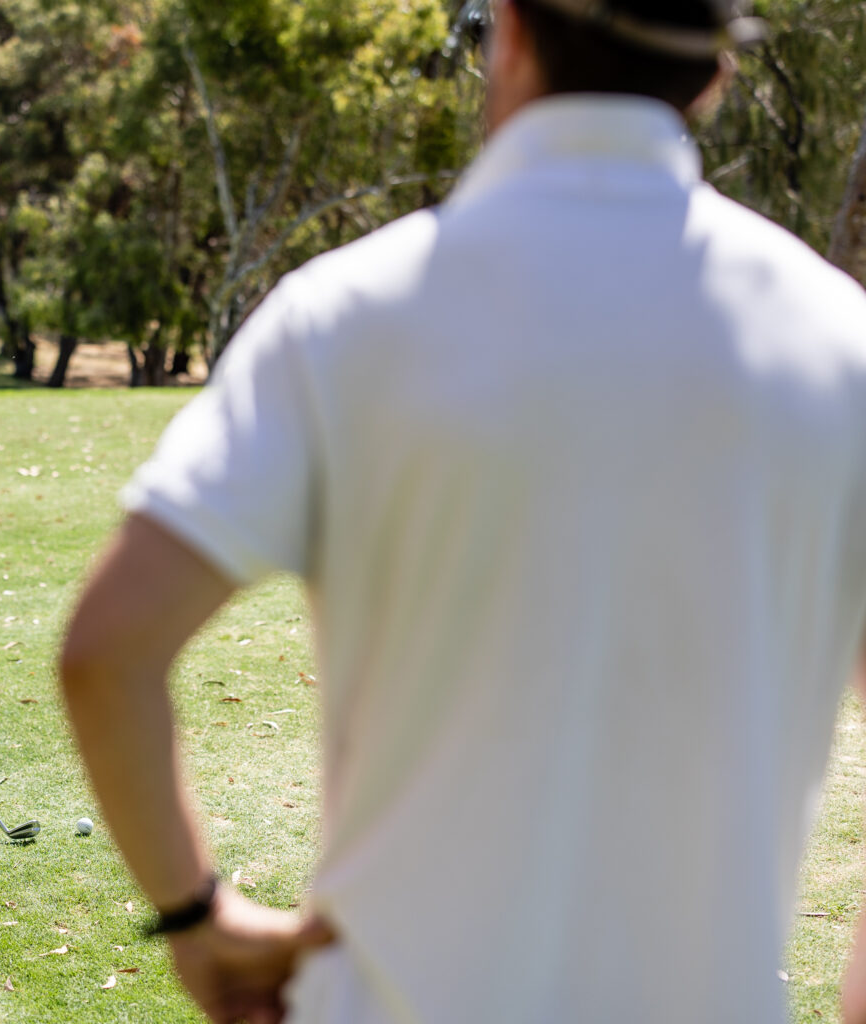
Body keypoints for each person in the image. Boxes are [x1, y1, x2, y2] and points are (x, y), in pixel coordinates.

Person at [58, 1, 866, 1021]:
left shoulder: (346, 314)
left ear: (512, 34)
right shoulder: (843, 342)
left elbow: (108, 649)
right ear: (716, 76)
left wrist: (195, 915)